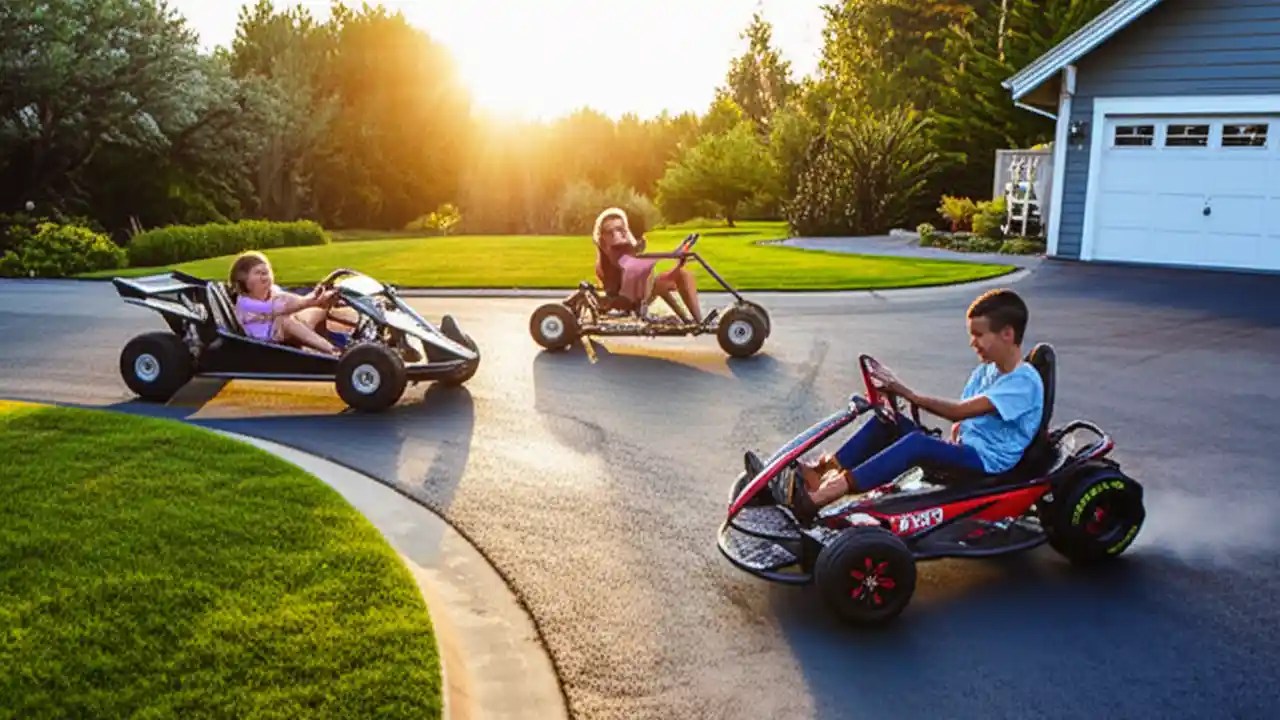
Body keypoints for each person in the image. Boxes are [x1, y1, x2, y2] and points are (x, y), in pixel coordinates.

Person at [772, 288, 1044, 522]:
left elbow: (958, 412)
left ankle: (822, 497)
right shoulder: (986, 371)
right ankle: (820, 473)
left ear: (1007, 334)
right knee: (888, 423)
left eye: (979, 335)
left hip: (987, 462)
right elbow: (962, 419)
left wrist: (905, 392)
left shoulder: (1023, 382)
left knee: (917, 444)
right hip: (966, 449)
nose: (973, 343)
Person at [592, 207, 713, 326]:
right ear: (602, 236)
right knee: (652, 274)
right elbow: (628, 265)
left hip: (642, 291)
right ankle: (691, 320)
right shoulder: (609, 252)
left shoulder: (625, 247)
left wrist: (678, 258)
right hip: (626, 298)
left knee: (681, 274)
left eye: (620, 229)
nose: (616, 234)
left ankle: (696, 321)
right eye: (610, 232)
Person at [228, 250, 342, 355]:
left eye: (266, 272)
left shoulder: (273, 291)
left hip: (277, 330)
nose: (265, 276)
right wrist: (310, 301)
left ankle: (332, 342)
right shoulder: (245, 303)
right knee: (285, 321)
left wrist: (317, 298)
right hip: (263, 340)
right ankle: (333, 351)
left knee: (317, 311)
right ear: (242, 281)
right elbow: (283, 306)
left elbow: (292, 300)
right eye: (258, 273)